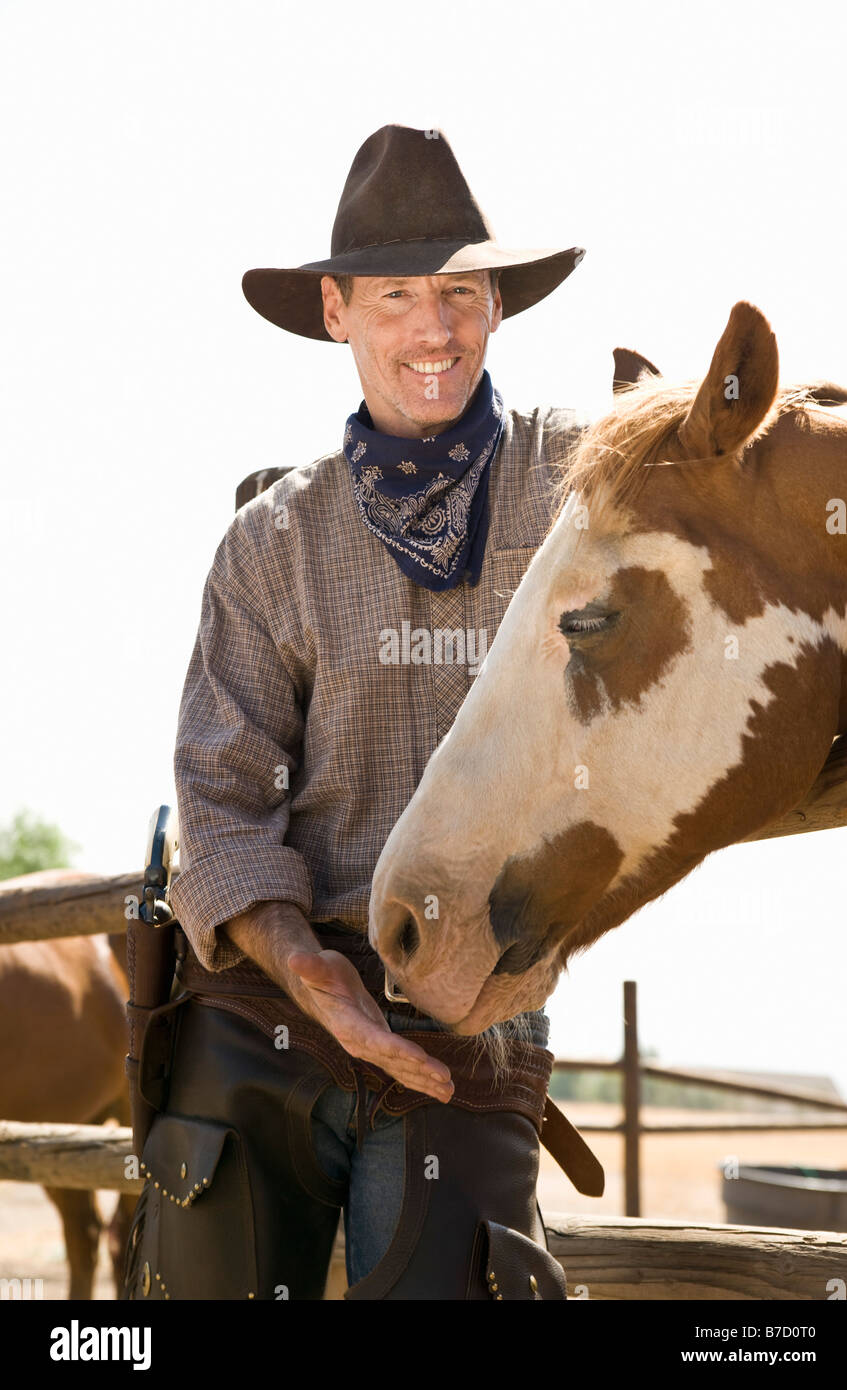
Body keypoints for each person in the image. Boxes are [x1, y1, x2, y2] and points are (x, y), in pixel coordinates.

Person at [123, 124, 593, 1302]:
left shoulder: (580, 490)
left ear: (494, 310)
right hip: (270, 1004)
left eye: (459, 294)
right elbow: (221, 811)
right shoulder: (270, 543)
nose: (432, 331)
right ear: (336, 311)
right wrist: (316, 981)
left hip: (471, 1031)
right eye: (396, 296)